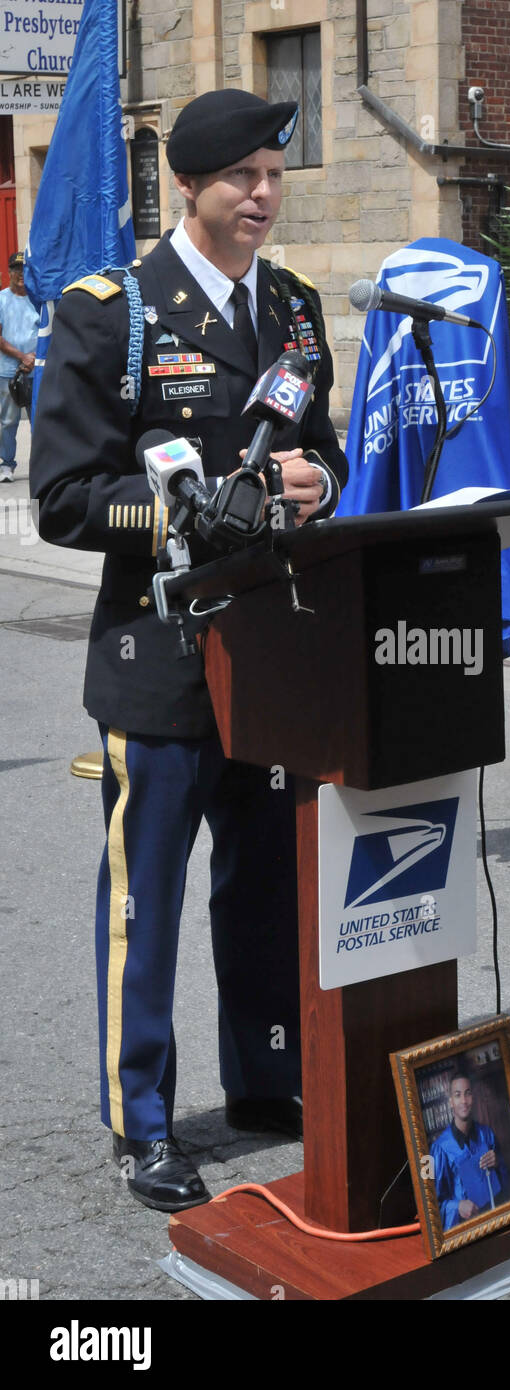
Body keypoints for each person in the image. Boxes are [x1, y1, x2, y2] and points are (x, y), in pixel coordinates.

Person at [29, 89, 348, 1212]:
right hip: (159, 658)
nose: (264, 196)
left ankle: (265, 1078)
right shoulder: (109, 311)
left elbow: (322, 451)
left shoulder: (295, 306)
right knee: (145, 898)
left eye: (274, 174)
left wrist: (317, 480)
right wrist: (187, 512)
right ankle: (144, 1119)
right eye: (241, 180)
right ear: (188, 188)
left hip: (272, 654)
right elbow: (61, 497)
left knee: (263, 887)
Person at [430, 1071, 509, 1230]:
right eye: (458, 1095)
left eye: (468, 1094)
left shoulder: (487, 1134)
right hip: (463, 1229)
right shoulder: (439, 1149)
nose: (464, 1101)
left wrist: (498, 1163)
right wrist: (457, 1207)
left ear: (474, 1098)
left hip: (493, 1218)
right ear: (451, 1101)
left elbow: (507, 1180)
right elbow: (431, 1205)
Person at [0, 250, 39, 481]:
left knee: (39, 420)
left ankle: (40, 465)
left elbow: (48, 332)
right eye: (16, 270)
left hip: (36, 370)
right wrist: (22, 357)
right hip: (8, 372)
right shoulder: (2, 299)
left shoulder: (38, 299)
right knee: (8, 421)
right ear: (9, 273)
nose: (20, 274)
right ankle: (7, 464)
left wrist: (34, 357)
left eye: (25, 269)